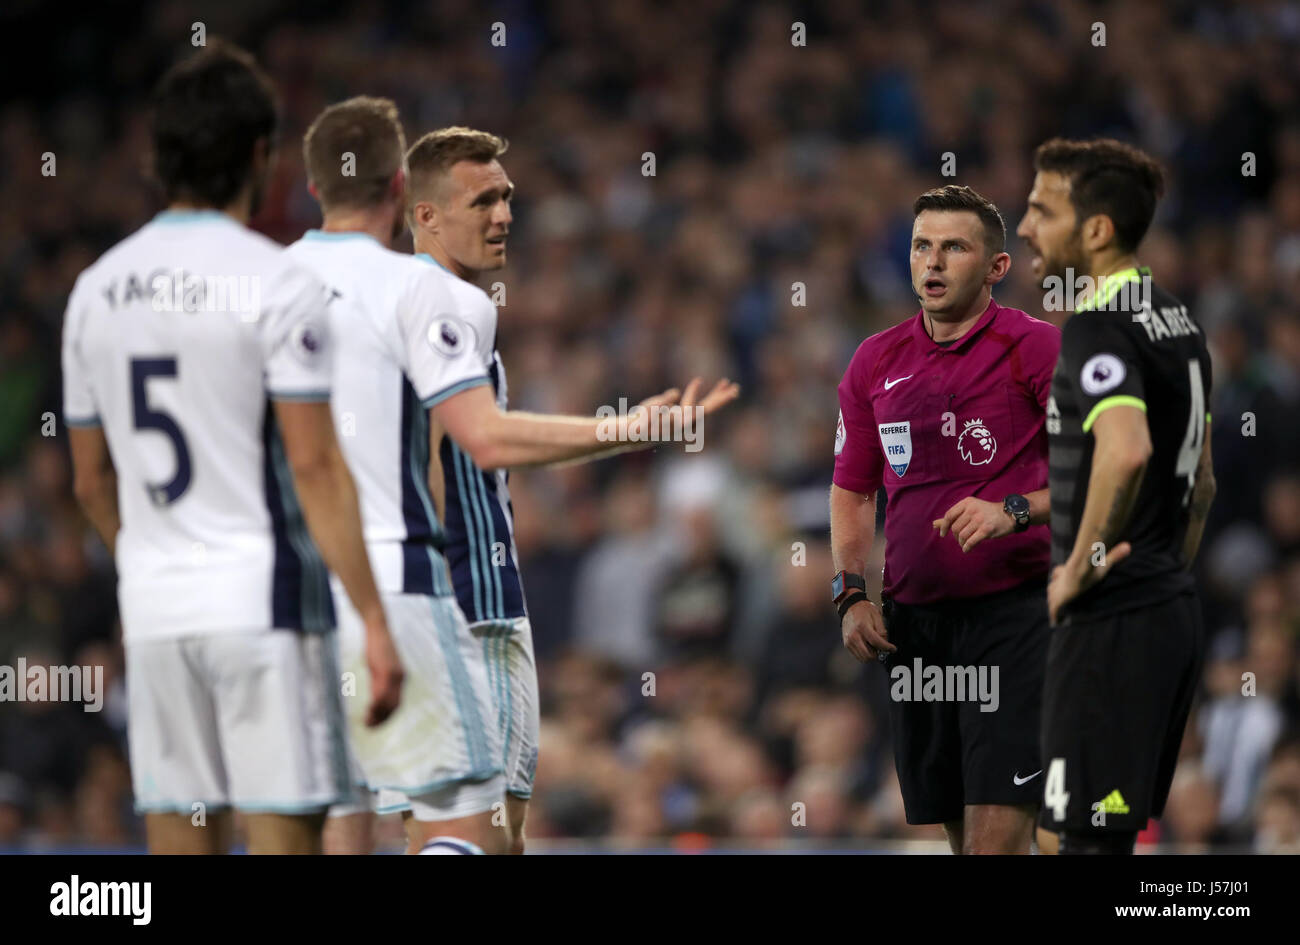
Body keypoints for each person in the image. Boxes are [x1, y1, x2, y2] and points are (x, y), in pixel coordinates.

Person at [293, 107, 739, 854]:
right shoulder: (444, 300)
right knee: (480, 833)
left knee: (395, 817)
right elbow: (458, 449)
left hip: (379, 592)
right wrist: (626, 428)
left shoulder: (356, 293)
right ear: (421, 210)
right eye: (483, 202)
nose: (503, 216)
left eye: (508, 199)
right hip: (465, 598)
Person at [61, 43, 402, 855]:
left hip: (156, 615)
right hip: (264, 608)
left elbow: (87, 479)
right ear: (261, 154)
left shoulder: (94, 289)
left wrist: (145, 563)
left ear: (159, 157)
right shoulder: (279, 280)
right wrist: (373, 619)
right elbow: (315, 466)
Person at [830, 185, 1059, 854]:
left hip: (1015, 618)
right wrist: (849, 590)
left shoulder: (1036, 347)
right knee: (969, 846)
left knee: (994, 845)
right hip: (915, 626)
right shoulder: (875, 360)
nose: (932, 262)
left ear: (996, 267)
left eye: (954, 247)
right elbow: (852, 488)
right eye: (921, 246)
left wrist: (1015, 510)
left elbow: (1106, 471)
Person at [1017, 138, 1215, 855]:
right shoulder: (1178, 322)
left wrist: (1081, 567)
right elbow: (1203, 486)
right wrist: (1162, 568)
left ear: (1096, 230)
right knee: (1072, 834)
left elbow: (1127, 447)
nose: (1025, 227)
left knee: (1084, 846)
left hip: (1115, 620)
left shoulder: (1097, 327)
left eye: (1042, 209)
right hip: (1166, 607)